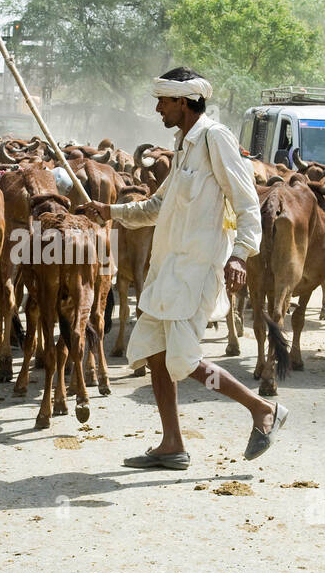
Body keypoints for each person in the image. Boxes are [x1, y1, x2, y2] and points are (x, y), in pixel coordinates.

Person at [82, 68, 286, 470]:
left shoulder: (216, 138)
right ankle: (172, 444)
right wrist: (109, 211)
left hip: (196, 268)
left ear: (184, 102)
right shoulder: (183, 146)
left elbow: (246, 203)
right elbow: (156, 207)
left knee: (184, 360)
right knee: (157, 355)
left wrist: (241, 254)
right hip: (167, 268)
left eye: (164, 101)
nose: (158, 108)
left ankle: (262, 409)